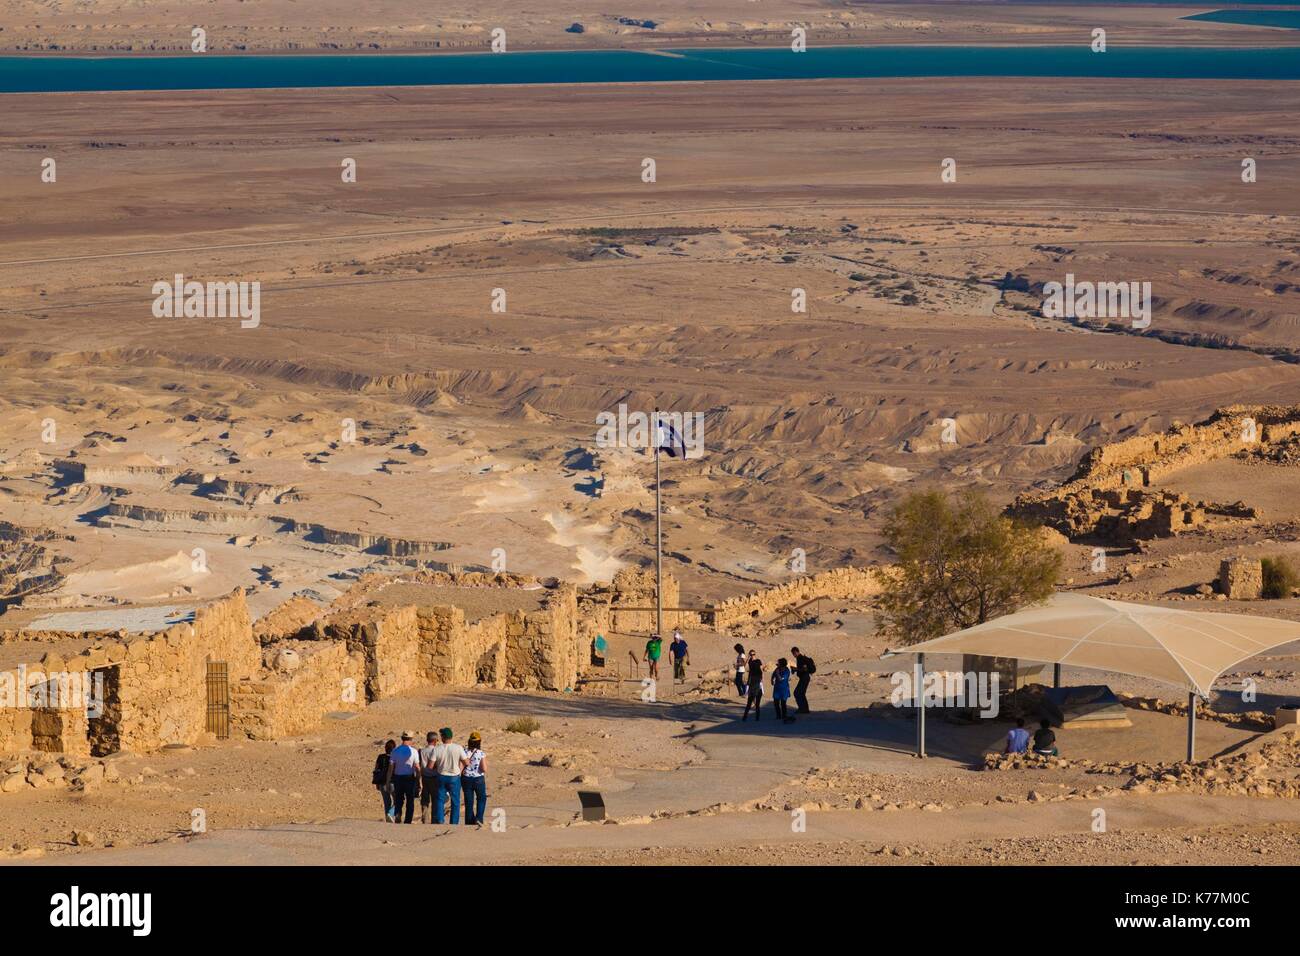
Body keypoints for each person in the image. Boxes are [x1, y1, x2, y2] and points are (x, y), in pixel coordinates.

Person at [431, 727, 469, 824]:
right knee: (455, 801)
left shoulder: (437, 749)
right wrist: (460, 769)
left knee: (440, 799)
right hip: (454, 777)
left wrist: (438, 766)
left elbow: (430, 766)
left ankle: (440, 820)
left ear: (443, 737)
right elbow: (466, 762)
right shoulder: (458, 747)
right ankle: (454, 822)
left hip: (441, 776)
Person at [385, 731, 422, 824]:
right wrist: (419, 781)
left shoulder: (395, 751)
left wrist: (388, 781)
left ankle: (398, 815)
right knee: (410, 800)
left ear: (402, 738)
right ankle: (408, 820)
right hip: (409, 778)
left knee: (398, 799)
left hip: (398, 778)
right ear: (411, 739)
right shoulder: (414, 751)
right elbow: (417, 768)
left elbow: (391, 768)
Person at [462, 731, 488, 827]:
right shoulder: (481, 753)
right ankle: (479, 818)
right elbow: (484, 768)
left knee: (469, 801)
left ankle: (469, 821)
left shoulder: (464, 751)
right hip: (478, 778)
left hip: (466, 778)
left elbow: (461, 765)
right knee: (481, 798)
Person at [419, 730, 442, 824]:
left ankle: (425, 818)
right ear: (435, 740)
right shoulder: (436, 750)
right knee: (435, 799)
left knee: (425, 799)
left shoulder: (421, 751)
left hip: (424, 776)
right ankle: (434, 819)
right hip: (434, 777)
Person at [373, 739, 397, 822]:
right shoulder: (395, 758)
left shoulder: (380, 757)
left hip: (382, 783)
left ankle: (388, 819)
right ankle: (390, 814)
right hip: (392, 782)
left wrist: (376, 783)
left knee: (387, 802)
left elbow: (376, 770)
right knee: (398, 801)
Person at [791, 646, 815, 714]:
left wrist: (796, 669)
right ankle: (805, 709)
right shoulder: (800, 658)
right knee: (801, 693)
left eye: (793, 653)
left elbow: (804, 669)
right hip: (804, 677)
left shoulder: (801, 658)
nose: (793, 655)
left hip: (805, 677)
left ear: (796, 652)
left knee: (797, 693)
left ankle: (802, 709)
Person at [742, 650, 764, 721]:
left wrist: (762, 678)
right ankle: (744, 717)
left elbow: (761, 670)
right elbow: (744, 666)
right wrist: (748, 657)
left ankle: (757, 718)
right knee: (749, 702)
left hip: (758, 680)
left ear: (755, 654)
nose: (752, 656)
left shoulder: (758, 661)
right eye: (751, 654)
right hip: (752, 681)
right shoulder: (750, 661)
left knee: (757, 703)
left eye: (753, 654)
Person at [772, 657, 795, 723]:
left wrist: (777, 673)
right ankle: (778, 715)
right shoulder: (777, 669)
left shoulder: (786, 671)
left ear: (782, 664)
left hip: (784, 689)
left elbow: (780, 679)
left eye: (778, 663)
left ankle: (784, 715)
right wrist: (772, 679)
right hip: (777, 688)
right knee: (776, 702)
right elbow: (773, 675)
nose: (777, 664)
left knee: (783, 703)